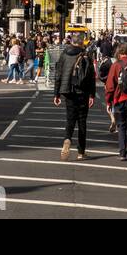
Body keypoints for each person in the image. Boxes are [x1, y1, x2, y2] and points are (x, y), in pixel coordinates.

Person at [53, 32, 96, 160]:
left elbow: (58, 74)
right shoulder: (86, 55)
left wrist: (56, 93)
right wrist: (92, 95)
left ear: (72, 41)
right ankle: (81, 152)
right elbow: (91, 77)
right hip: (82, 92)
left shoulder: (64, 54)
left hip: (68, 91)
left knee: (70, 119)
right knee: (82, 121)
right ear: (82, 42)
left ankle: (67, 139)